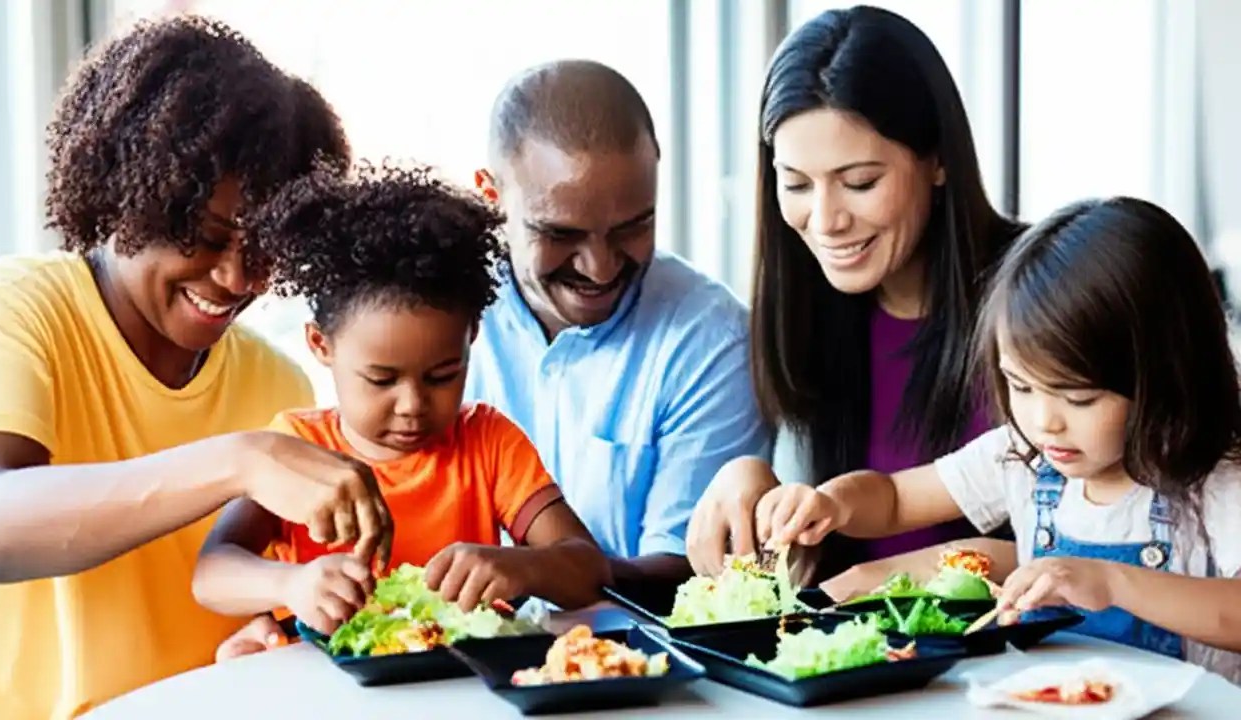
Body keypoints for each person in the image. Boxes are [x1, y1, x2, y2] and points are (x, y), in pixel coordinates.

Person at [0, 17, 391, 719]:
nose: (235, 277)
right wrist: (238, 461)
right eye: (205, 236)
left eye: (266, 248)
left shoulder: (276, 386)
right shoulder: (9, 312)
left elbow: (251, 604)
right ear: (132, 195)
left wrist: (262, 638)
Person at [758, 196, 1241, 680]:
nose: (1044, 419)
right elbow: (895, 498)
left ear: (1166, 377)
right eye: (1021, 385)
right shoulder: (1022, 457)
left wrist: (1113, 582)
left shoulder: (1212, 478)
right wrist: (832, 503)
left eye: (1079, 399)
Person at [194, 161, 611, 649]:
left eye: (442, 376)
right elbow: (212, 571)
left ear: (471, 338)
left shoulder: (488, 442)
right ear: (321, 345)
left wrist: (524, 566)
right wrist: (291, 585)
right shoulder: (298, 449)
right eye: (381, 379)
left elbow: (590, 568)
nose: (413, 404)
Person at [686, 5, 1023, 589]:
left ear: (938, 159)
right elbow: (813, 567)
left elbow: (1087, 545)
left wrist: (884, 577)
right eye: (794, 184)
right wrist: (758, 500)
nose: (825, 220)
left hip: (1042, 667)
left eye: (861, 182)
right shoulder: (809, 318)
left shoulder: (1041, 297)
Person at [467, 59, 771, 583]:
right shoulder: (435, 316)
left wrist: (543, 574)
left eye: (634, 226)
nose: (600, 267)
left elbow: (690, 574)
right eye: (560, 234)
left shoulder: (710, 341)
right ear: (493, 198)